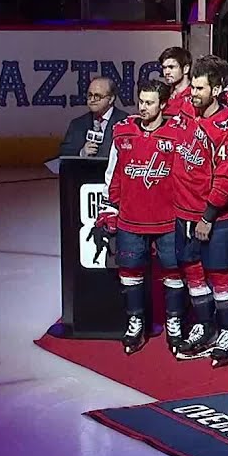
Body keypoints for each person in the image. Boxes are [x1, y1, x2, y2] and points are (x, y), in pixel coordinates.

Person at [165, 56, 228, 367]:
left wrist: (207, 216)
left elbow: (227, 177)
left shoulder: (227, 126)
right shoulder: (186, 108)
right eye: (193, 87)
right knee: (192, 273)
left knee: (221, 276)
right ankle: (205, 324)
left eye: (200, 88)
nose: (193, 93)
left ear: (217, 90)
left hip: (215, 219)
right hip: (183, 214)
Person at [97, 78, 184, 355]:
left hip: (168, 219)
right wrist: (111, 207)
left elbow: (186, 177)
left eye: (149, 103)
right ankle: (135, 320)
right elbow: (113, 173)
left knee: (173, 271)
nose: (143, 107)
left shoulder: (176, 134)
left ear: (163, 104)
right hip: (131, 220)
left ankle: (174, 322)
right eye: (141, 101)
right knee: (130, 272)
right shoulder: (123, 132)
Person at [59, 77, 127, 157]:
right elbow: (64, 153)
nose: (92, 100)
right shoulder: (77, 124)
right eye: (90, 95)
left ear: (111, 99)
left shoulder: (126, 122)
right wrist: (81, 153)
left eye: (97, 96)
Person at [158, 47, 193, 119]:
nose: (166, 72)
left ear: (186, 69)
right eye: (164, 68)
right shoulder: (162, 94)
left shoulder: (195, 95)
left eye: (171, 67)